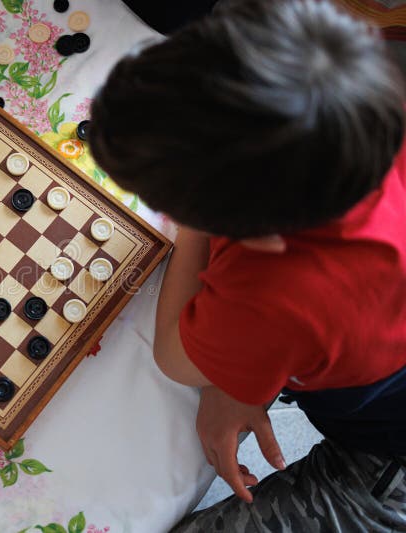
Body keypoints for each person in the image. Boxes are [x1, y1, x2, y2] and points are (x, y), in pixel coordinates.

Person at [89, 0, 406, 530]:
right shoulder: (358, 77)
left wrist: (237, 377)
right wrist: (239, 378)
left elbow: (173, 354)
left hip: (386, 456)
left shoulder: (277, 295)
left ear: (254, 239)